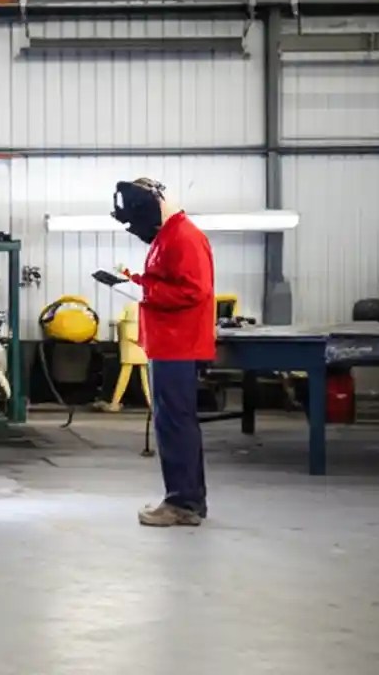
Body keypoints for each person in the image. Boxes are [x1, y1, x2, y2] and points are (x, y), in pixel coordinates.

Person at [113, 178, 215, 527]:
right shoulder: (169, 235)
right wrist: (136, 283)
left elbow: (194, 291)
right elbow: (168, 281)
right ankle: (188, 500)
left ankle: (183, 503)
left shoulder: (183, 236)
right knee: (174, 422)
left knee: (175, 423)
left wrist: (145, 293)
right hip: (169, 342)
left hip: (178, 343)